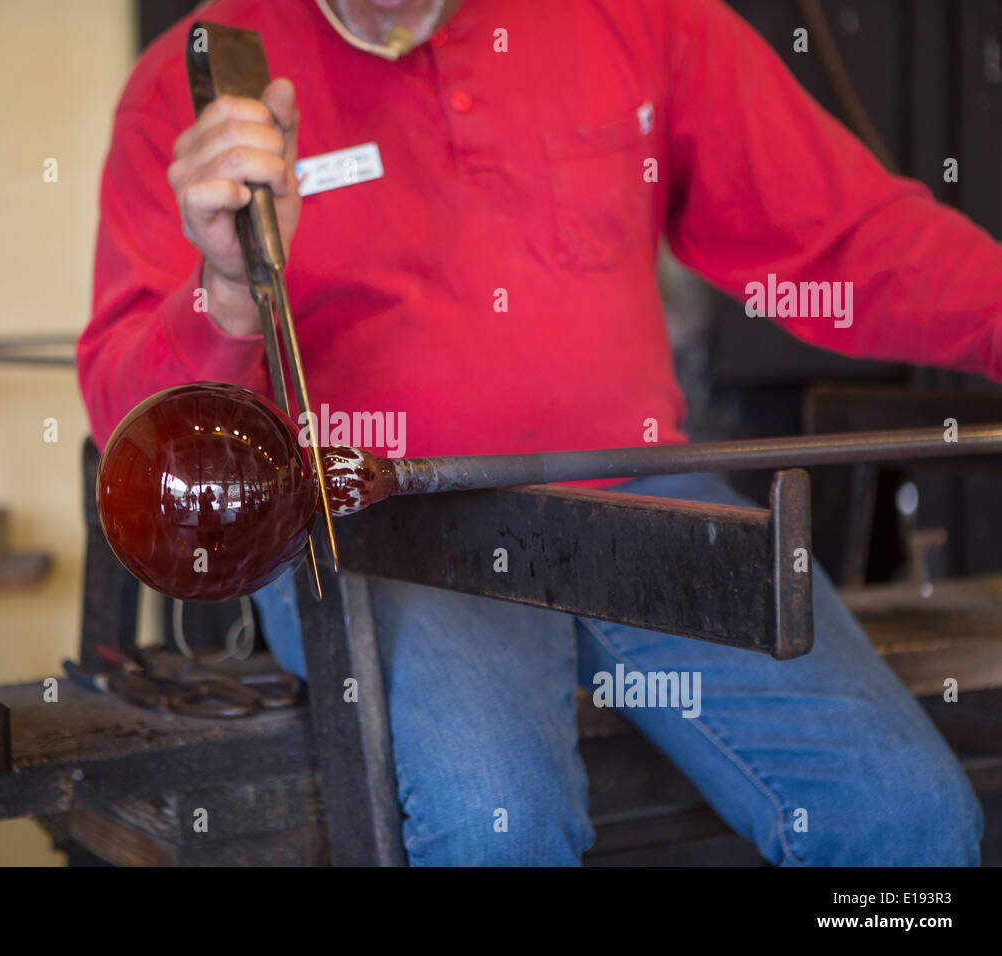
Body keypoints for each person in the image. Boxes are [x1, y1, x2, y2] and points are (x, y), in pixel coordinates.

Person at [77, 0, 999, 865]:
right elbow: (131, 425)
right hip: (377, 524)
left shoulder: (638, 17)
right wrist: (230, 293)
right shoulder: (187, 90)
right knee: (496, 825)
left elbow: (843, 238)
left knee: (908, 820)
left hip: (635, 494)